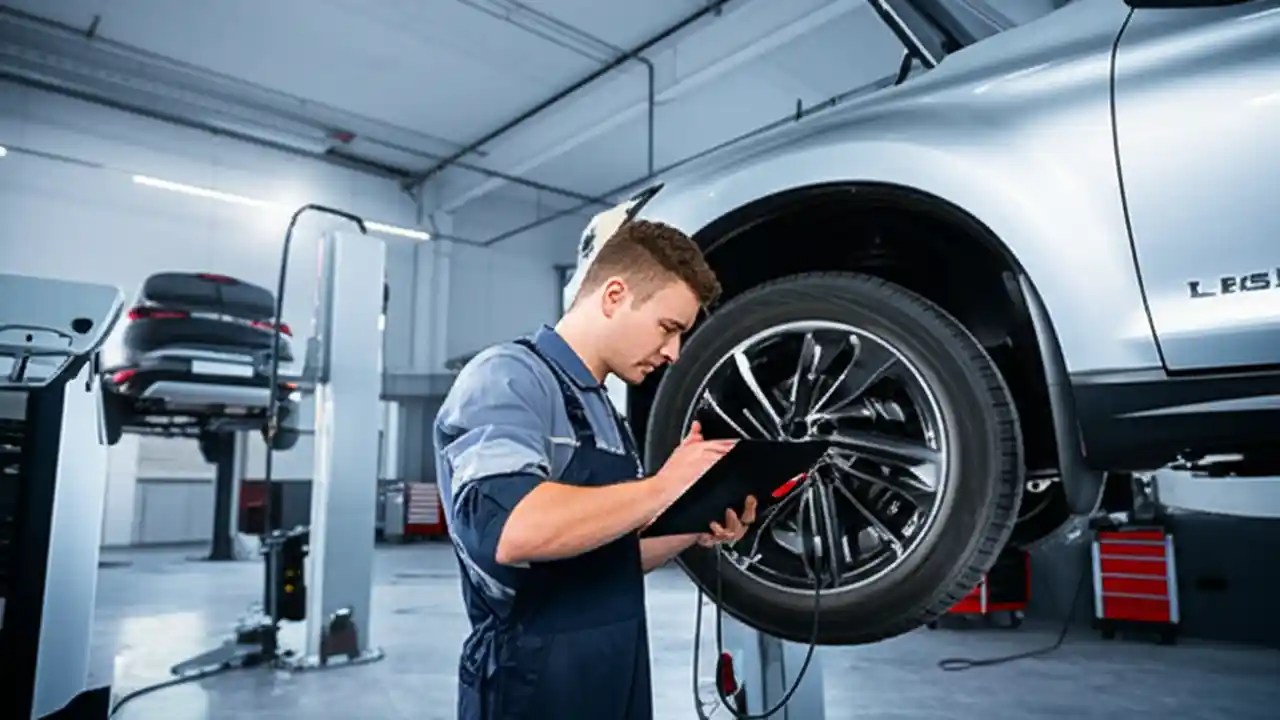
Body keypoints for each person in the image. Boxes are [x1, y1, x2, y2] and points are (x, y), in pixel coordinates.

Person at [434, 217, 758, 720]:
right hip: (531, 679)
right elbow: (514, 530)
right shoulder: (508, 378)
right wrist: (665, 485)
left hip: (615, 669)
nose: (673, 354)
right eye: (668, 329)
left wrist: (696, 523)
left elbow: (608, 557)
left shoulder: (605, 412)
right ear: (613, 296)